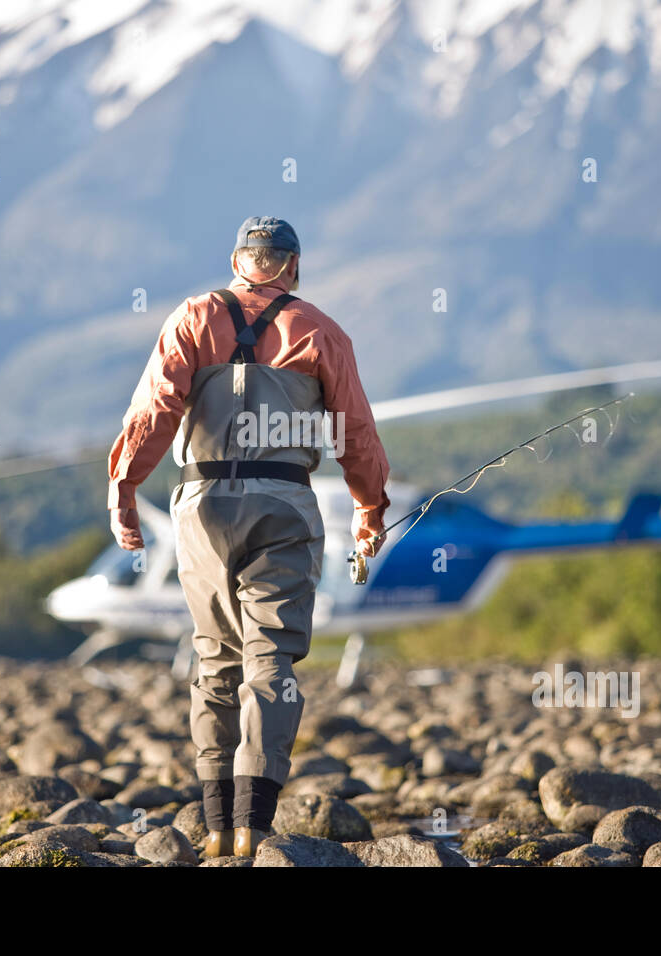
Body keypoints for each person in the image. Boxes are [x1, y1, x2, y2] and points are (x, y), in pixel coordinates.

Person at [107, 216, 389, 857]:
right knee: (271, 663)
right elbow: (358, 437)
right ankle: (252, 828)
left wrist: (124, 491)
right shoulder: (320, 329)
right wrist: (370, 511)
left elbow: (153, 413)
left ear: (239, 261)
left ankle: (212, 830)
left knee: (215, 662)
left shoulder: (194, 315)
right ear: (292, 266)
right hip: (284, 506)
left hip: (201, 507)